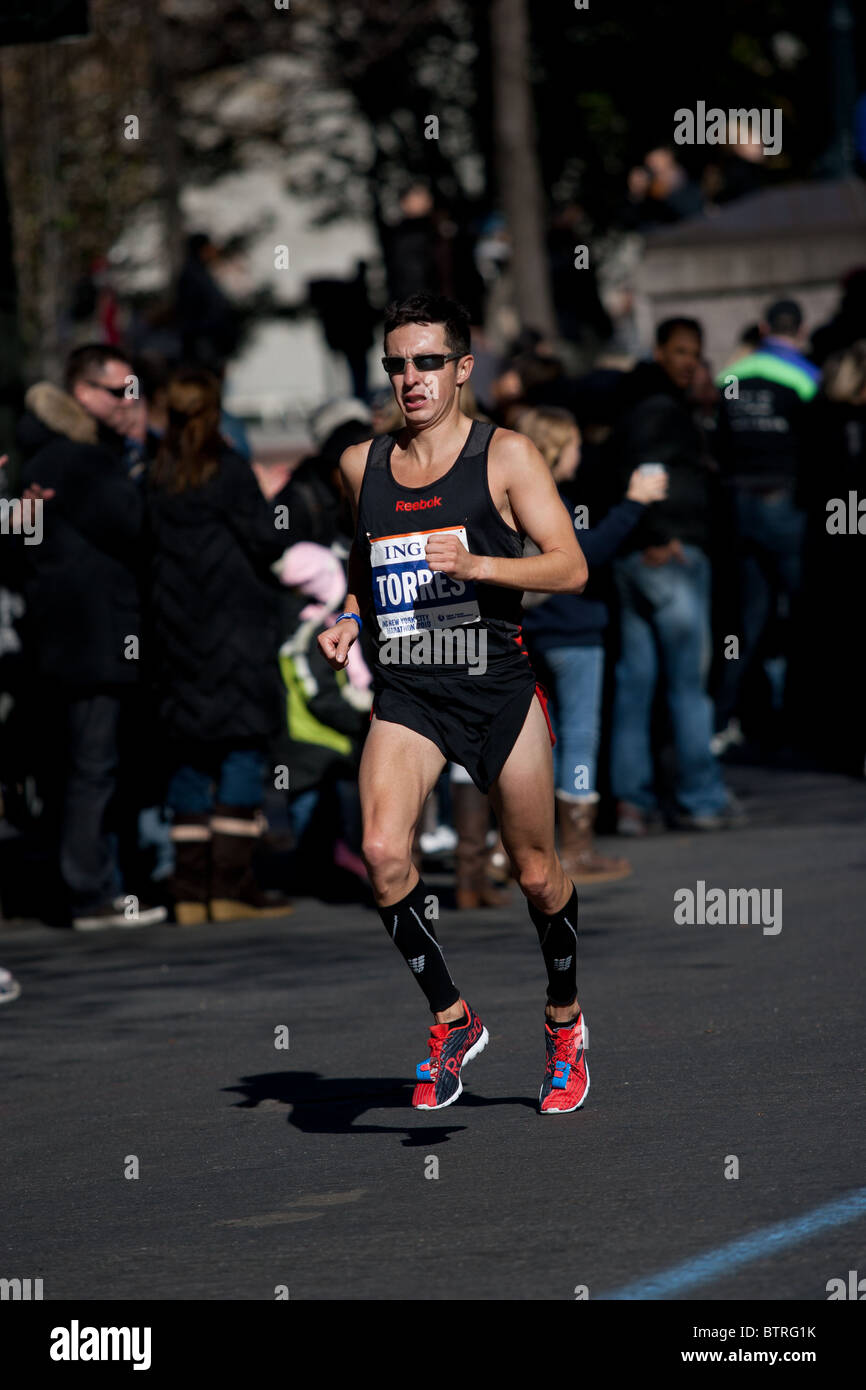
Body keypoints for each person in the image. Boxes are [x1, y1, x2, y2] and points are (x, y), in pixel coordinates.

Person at [317, 293, 591, 1114]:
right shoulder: (360, 466)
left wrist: (483, 570)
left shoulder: (504, 457)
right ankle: (452, 1016)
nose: (412, 379)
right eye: (398, 364)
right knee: (382, 852)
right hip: (410, 693)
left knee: (538, 875)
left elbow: (570, 567)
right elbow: (374, 568)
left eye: (428, 362)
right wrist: (349, 615)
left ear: (463, 369)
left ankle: (565, 1022)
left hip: (497, 689)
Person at [18, 345, 167, 930]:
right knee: (93, 767)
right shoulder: (79, 460)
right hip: (93, 641)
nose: (130, 403)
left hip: (71, 639)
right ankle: (92, 893)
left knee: (81, 767)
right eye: (118, 391)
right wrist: (136, 459)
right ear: (82, 394)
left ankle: (88, 886)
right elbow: (135, 523)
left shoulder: (47, 458)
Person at [146, 368, 292, 923]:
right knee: (239, 752)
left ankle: (187, 890)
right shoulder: (229, 472)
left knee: (187, 759)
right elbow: (265, 536)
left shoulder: (155, 476)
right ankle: (229, 886)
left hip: (173, 641)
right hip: (234, 638)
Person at [518, 405, 668, 880]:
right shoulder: (552, 501)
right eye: (576, 444)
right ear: (559, 448)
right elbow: (587, 555)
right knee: (580, 738)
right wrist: (635, 502)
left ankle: (525, 848)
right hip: (575, 635)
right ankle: (577, 850)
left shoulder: (517, 498)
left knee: (546, 741)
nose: (581, 453)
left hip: (536, 633)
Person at [608, 318, 739, 833]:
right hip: (668, 559)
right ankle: (700, 798)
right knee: (687, 687)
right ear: (660, 351)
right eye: (680, 351)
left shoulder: (642, 403)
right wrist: (660, 535)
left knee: (636, 685)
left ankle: (632, 804)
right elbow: (640, 471)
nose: (689, 362)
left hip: (641, 557)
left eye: (695, 353)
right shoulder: (657, 408)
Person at [713, 300, 819, 749]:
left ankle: (726, 717)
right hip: (784, 502)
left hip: (738, 503)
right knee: (807, 610)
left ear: (761, 328)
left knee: (747, 617)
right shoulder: (806, 378)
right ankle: (806, 715)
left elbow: (717, 438)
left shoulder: (730, 375)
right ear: (801, 329)